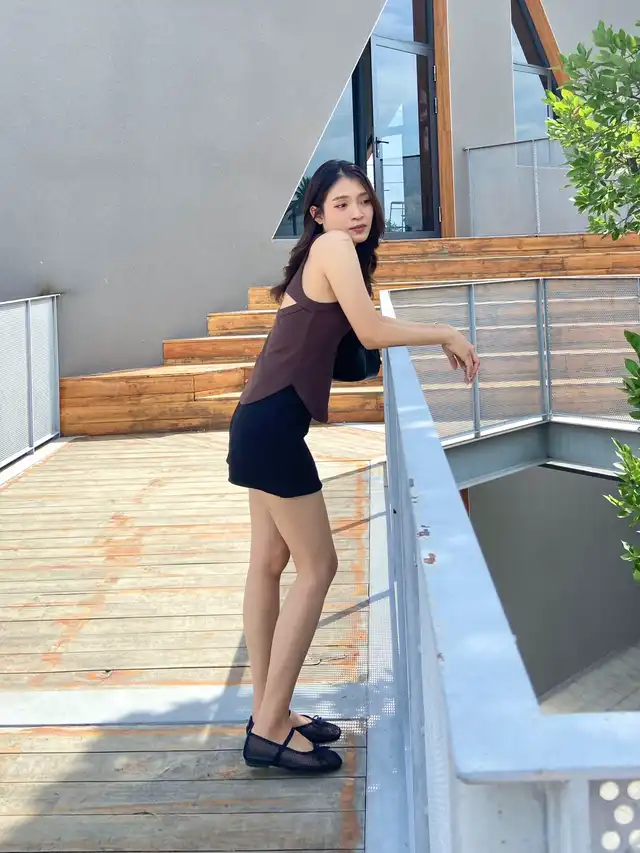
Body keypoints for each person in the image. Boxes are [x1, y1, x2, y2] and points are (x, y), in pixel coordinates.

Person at [227, 159, 480, 774]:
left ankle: (270, 711)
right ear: (317, 215)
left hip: (259, 419)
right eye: (341, 204)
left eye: (364, 201)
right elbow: (368, 331)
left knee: (269, 565)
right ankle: (269, 729)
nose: (357, 213)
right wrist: (444, 331)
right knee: (319, 567)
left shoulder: (325, 253)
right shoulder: (334, 247)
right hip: (272, 428)